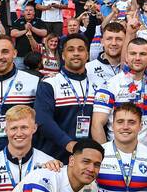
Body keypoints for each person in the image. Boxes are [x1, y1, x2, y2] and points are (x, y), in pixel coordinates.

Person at [35, 33, 102, 161]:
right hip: (54, 160)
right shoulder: (49, 84)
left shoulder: (98, 85)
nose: (76, 53)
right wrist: (69, 144)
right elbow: (43, 121)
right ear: (63, 55)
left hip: (88, 160)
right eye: (70, 50)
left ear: (87, 55)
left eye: (81, 49)